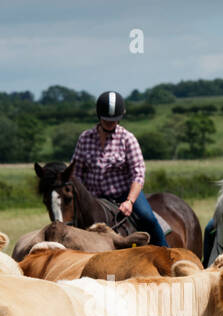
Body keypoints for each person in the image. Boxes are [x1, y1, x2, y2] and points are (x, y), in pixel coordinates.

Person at [69, 91, 168, 246]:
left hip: (123, 195)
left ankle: (166, 252)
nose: (111, 123)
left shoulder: (127, 139)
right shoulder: (84, 138)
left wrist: (129, 201)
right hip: (92, 198)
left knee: (147, 217)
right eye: (107, 120)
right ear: (99, 116)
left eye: (114, 120)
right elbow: (76, 173)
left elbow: (138, 173)